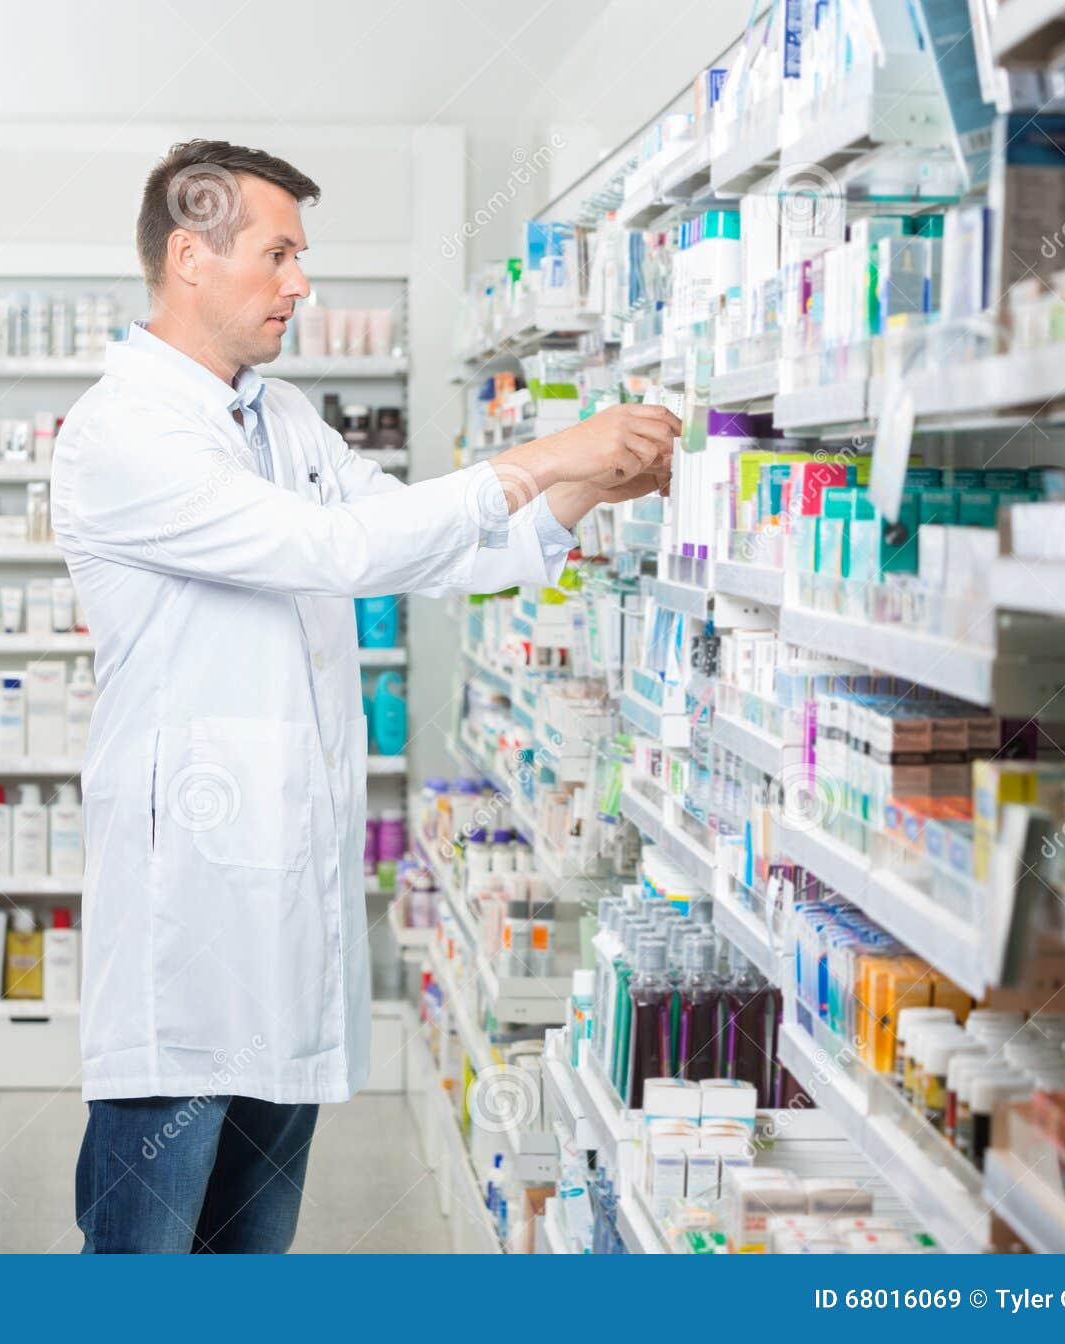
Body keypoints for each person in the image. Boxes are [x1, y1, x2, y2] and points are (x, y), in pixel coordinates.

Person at [51, 139, 677, 1254]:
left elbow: (423, 550)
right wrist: (544, 451)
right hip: (186, 929)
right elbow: (330, 547)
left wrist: (583, 484)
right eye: (279, 252)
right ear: (190, 256)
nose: (300, 283)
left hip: (286, 914)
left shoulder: (280, 416)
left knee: (250, 1263)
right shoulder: (124, 430)